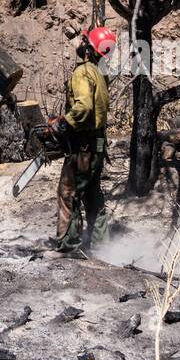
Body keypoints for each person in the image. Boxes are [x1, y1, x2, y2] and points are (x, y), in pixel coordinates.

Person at [50, 26, 115, 253]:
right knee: (92, 193)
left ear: (88, 48)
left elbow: (84, 107)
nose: (77, 43)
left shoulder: (83, 72)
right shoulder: (99, 73)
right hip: (96, 144)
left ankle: (68, 245)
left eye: (82, 40)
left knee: (69, 192)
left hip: (83, 147)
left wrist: (63, 122)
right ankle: (102, 243)